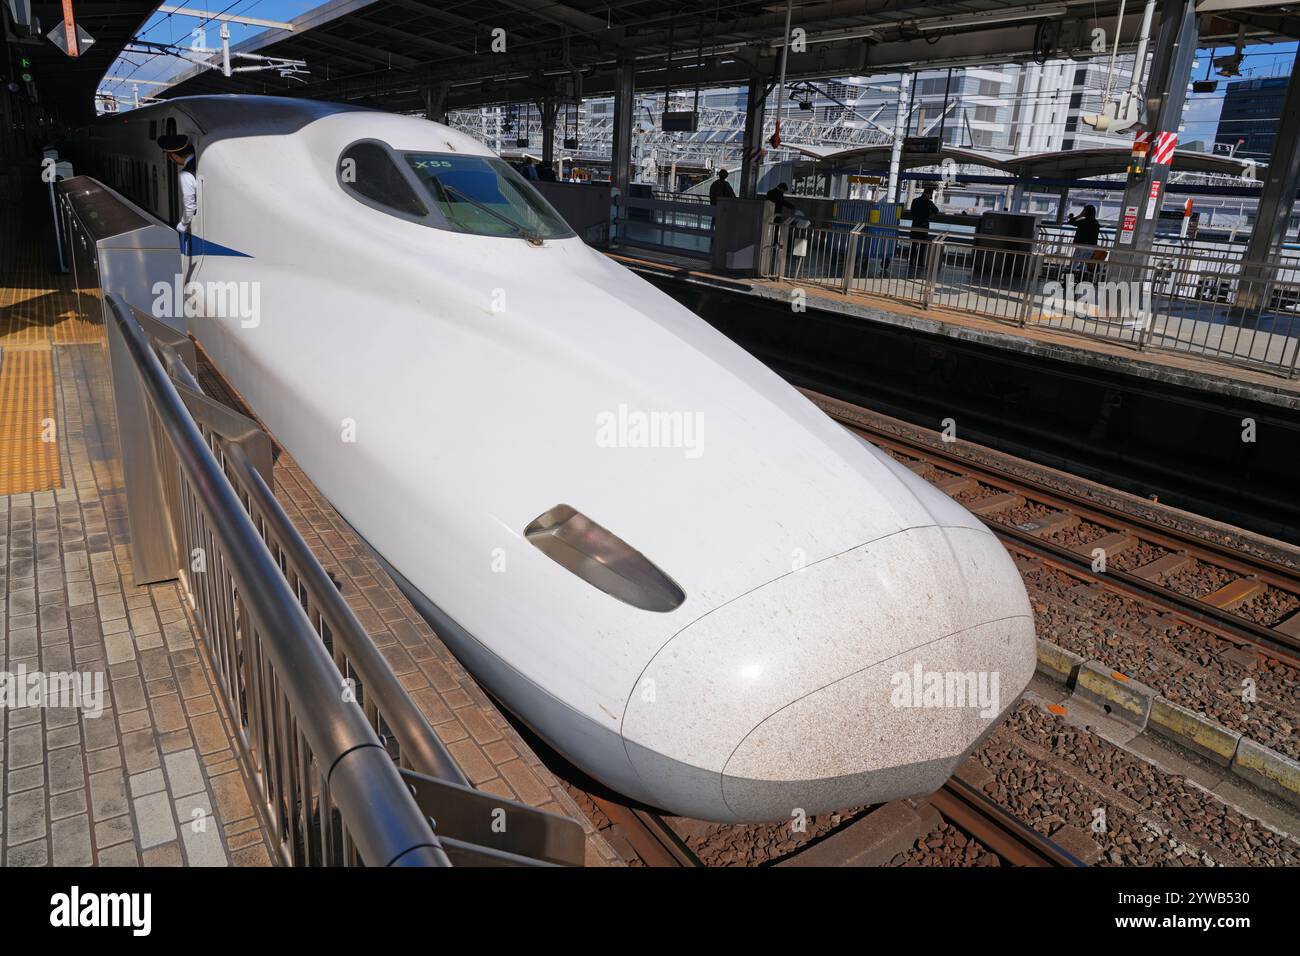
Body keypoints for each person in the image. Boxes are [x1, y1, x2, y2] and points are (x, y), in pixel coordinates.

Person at [158, 134, 197, 250]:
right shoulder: (201, 161)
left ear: (174, 156)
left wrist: (183, 224)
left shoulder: (185, 174)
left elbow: (190, 207)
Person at [1067, 204, 1104, 282]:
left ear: (1086, 212)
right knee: (1084, 266)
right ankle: (1080, 283)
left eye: (1084, 211)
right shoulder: (1096, 223)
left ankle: (1067, 283)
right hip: (1090, 247)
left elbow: (1070, 222)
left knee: (1074, 264)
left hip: (1081, 246)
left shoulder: (1083, 221)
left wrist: (1079, 216)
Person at [908, 186, 939, 275]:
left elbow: (912, 213)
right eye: (931, 195)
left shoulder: (915, 201)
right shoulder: (928, 203)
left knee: (914, 245)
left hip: (915, 226)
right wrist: (929, 217)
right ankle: (920, 263)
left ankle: (911, 263)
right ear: (929, 194)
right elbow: (936, 210)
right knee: (922, 245)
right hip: (924, 226)